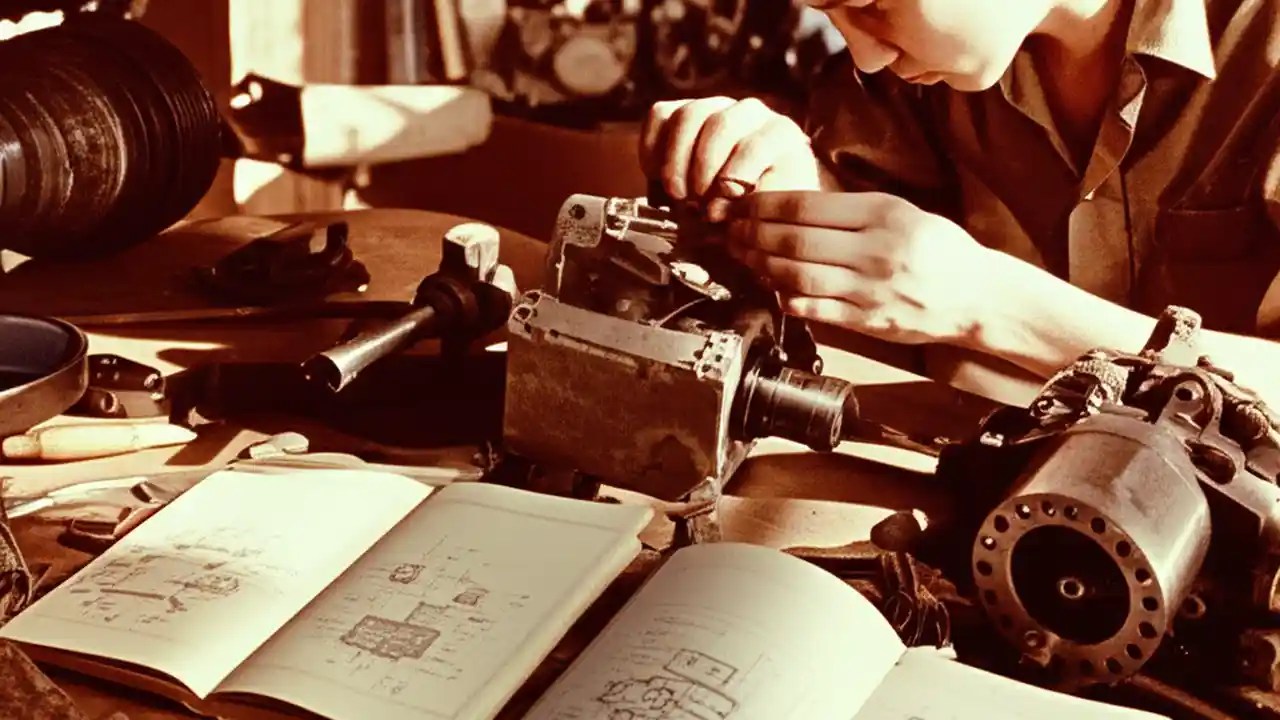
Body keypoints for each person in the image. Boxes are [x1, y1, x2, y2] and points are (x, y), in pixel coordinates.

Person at [639, 0, 1280, 407]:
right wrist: (776, 181)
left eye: (869, 4)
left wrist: (985, 302)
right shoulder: (925, 72)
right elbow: (867, 223)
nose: (865, 50)